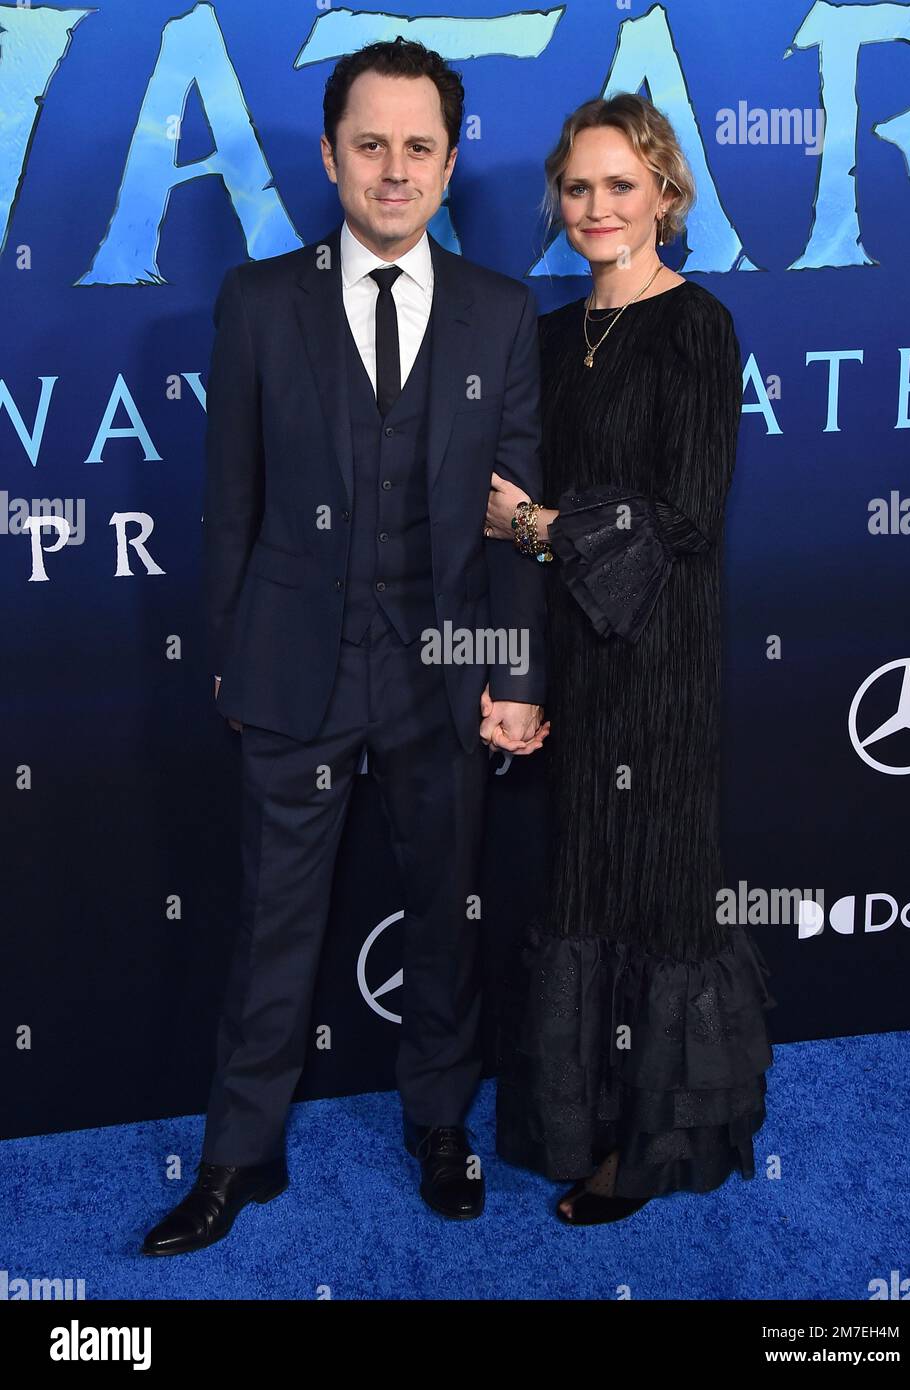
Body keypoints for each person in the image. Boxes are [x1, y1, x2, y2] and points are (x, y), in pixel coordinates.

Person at [142, 37, 547, 1256]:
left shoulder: (502, 312)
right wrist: (232, 655)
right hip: (292, 668)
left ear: (448, 157)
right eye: (368, 143)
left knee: (444, 910)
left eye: (417, 145)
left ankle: (438, 1123)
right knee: (274, 918)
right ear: (328, 156)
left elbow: (521, 526)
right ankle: (238, 1155)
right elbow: (232, 505)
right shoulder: (258, 301)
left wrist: (514, 672)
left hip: (444, 670)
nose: (393, 168)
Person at [487, 93, 776, 1224]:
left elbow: (685, 512)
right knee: (581, 879)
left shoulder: (697, 325)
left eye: (620, 184)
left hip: (659, 658)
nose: (596, 206)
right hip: (570, 651)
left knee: (655, 887)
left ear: (665, 192)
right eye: (577, 187)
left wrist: (537, 525)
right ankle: (581, 1120)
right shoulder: (548, 333)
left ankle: (652, 1146)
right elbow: (492, 501)